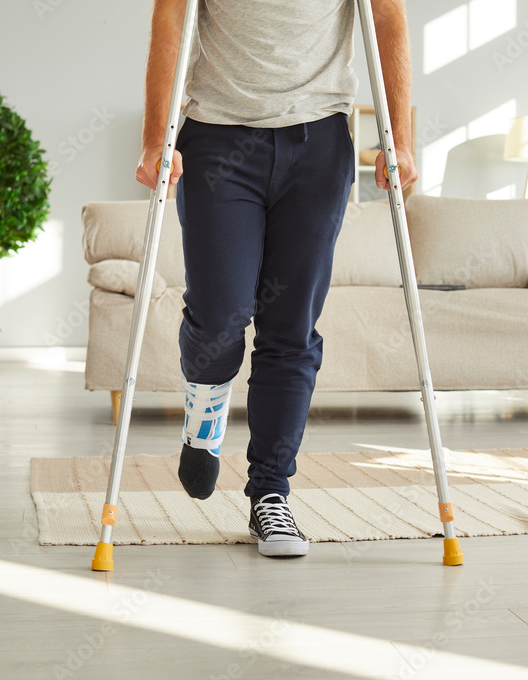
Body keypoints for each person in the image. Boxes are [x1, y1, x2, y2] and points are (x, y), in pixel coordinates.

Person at [135, 0, 417, 558]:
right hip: (217, 135)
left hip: (320, 141)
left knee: (291, 327)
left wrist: (400, 139)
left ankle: (270, 493)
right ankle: (206, 404)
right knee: (221, 313)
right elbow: (170, 17)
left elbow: (387, 18)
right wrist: (153, 137)